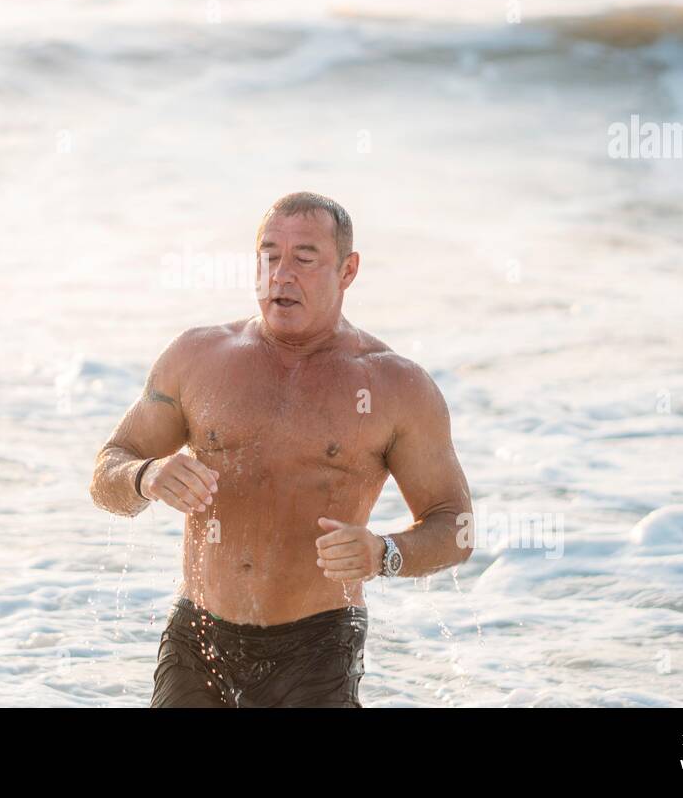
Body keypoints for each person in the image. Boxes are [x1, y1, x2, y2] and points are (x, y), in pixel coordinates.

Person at [90, 191, 474, 707]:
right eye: (269, 256)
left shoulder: (395, 386)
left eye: (304, 259)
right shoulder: (197, 358)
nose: (281, 275)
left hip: (318, 646)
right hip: (199, 638)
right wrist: (147, 475)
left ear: (348, 270)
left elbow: (456, 526)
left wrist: (385, 553)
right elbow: (108, 471)